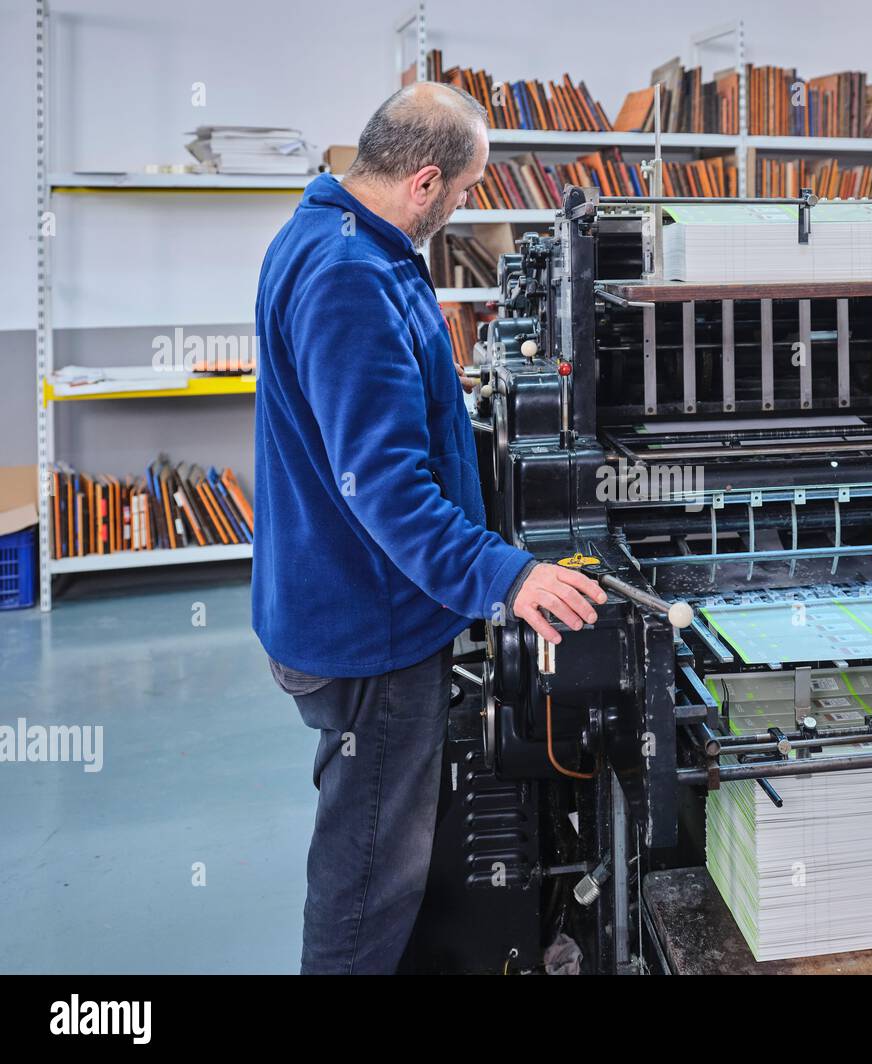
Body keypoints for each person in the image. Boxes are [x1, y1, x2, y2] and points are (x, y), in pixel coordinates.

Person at [252, 82, 605, 974]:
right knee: (369, 866)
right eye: (465, 190)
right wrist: (509, 577)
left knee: (372, 831)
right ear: (423, 180)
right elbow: (386, 489)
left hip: (356, 604)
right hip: (367, 628)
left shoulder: (340, 237)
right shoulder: (348, 279)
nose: (465, 208)